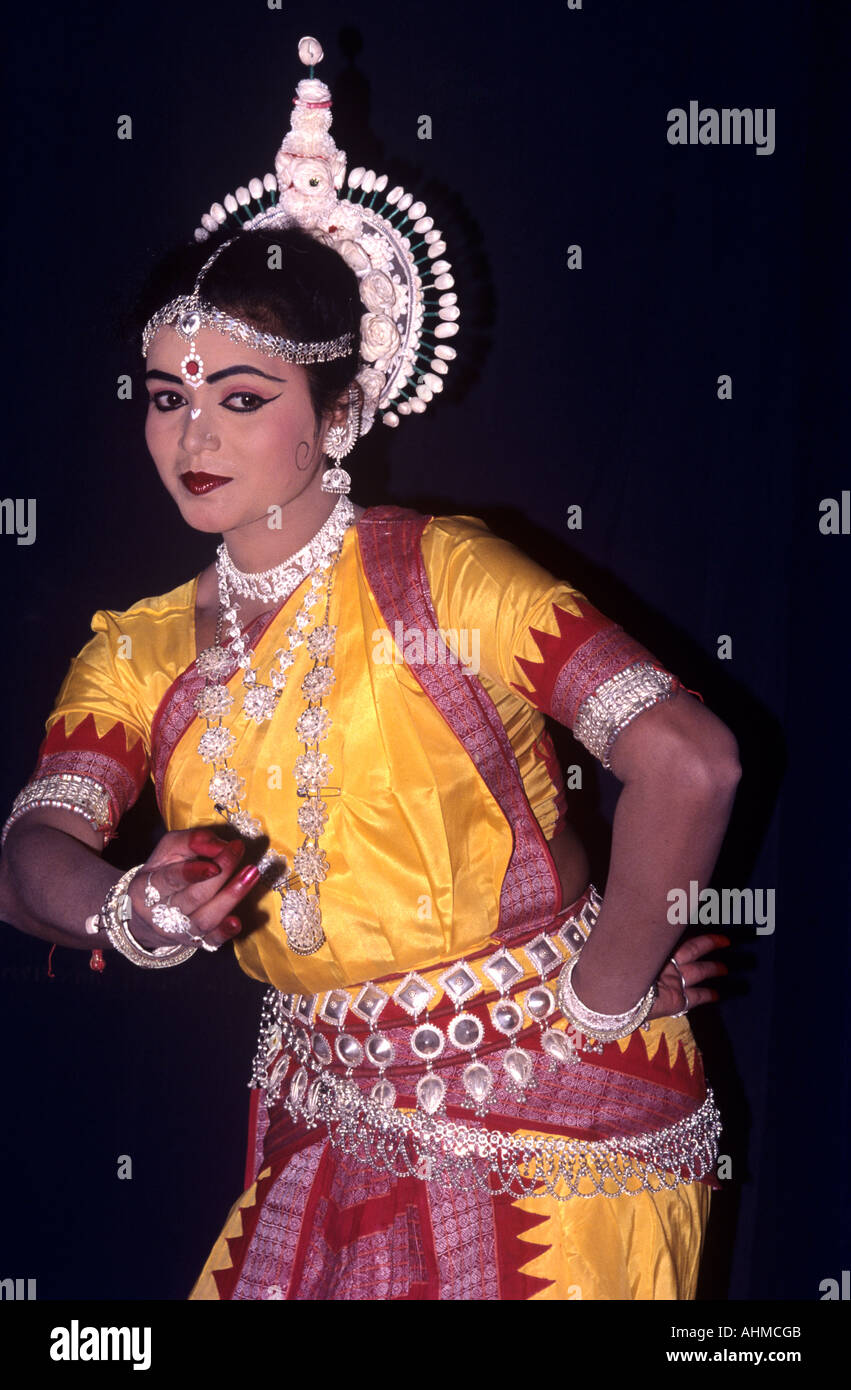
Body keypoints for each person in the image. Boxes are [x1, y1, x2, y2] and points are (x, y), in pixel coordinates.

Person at [0, 37, 739, 1301]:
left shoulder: (443, 575)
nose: (192, 433)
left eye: (240, 397)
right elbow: (31, 858)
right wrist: (127, 910)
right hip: (323, 1118)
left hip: (549, 1132)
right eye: (166, 396)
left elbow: (686, 760)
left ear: (337, 415)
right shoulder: (139, 647)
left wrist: (603, 994)